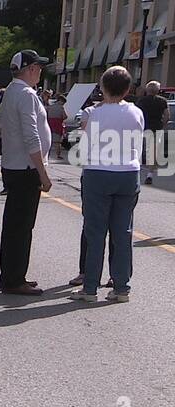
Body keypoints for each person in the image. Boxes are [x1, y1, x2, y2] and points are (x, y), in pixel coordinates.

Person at [70, 66, 143, 303]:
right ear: (128, 89)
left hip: (98, 173)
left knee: (95, 232)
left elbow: (82, 133)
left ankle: (90, 288)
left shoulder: (92, 113)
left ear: (102, 88)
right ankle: (121, 287)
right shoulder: (136, 112)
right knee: (123, 232)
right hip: (128, 173)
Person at [0, 50, 53, 295]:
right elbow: (32, 135)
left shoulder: (11, 91)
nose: (40, 71)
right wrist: (43, 173)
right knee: (22, 226)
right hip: (27, 169)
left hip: (13, 165)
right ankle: (15, 279)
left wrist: (11, 139)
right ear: (29, 68)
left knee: (13, 225)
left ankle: (11, 275)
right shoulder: (27, 94)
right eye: (38, 67)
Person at [135, 81, 170, 185]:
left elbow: (136, 114)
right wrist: (162, 125)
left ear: (147, 90)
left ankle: (136, 170)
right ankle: (150, 174)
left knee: (139, 150)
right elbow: (167, 115)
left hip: (142, 129)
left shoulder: (141, 100)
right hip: (156, 129)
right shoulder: (163, 101)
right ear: (158, 90)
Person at [46, 94, 68, 159]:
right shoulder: (61, 108)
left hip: (49, 124)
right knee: (58, 142)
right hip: (58, 125)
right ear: (61, 101)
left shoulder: (50, 107)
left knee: (49, 141)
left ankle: (47, 154)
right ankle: (58, 155)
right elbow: (65, 116)